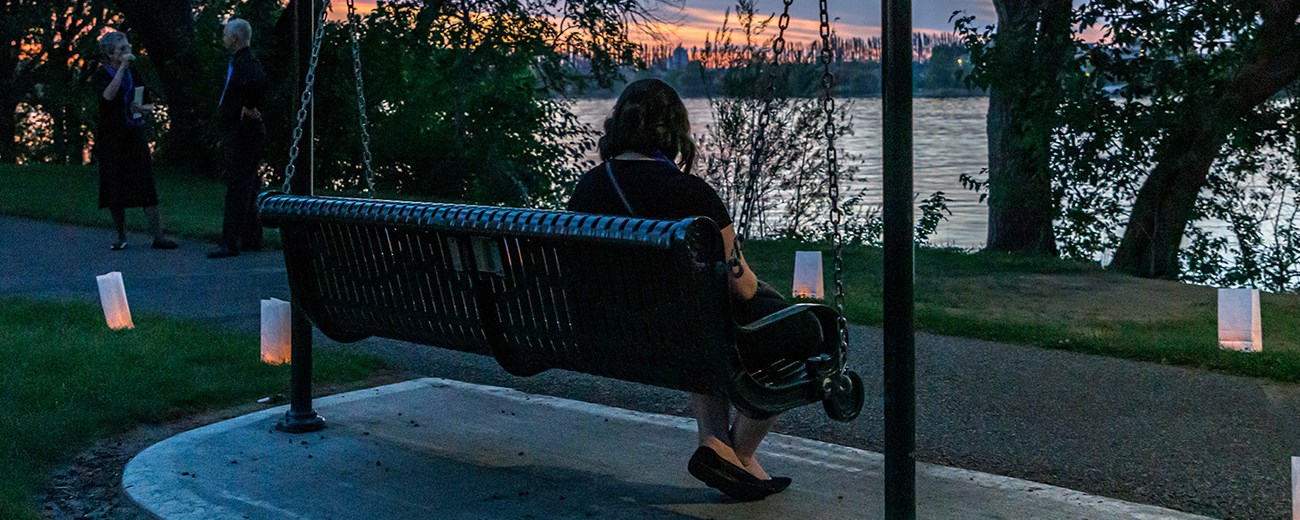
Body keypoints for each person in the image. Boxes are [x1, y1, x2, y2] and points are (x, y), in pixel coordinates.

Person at [567, 79, 822, 501]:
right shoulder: (691, 194)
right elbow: (741, 286)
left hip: (606, 334)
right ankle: (729, 450)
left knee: (702, 323)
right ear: (676, 133)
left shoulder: (588, 189)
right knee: (805, 331)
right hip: (681, 335)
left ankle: (729, 455)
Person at [92, 31, 178, 251]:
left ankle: (158, 235)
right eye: (122, 49)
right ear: (111, 53)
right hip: (112, 137)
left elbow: (149, 103)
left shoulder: (135, 73)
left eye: (127, 47)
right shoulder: (102, 75)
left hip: (134, 134)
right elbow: (108, 97)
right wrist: (121, 69)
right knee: (115, 184)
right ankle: (121, 236)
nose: (127, 52)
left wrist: (142, 109)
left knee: (146, 182)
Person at [209, 18, 268, 259]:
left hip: (242, 133)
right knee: (249, 184)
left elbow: (259, 82)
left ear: (235, 38)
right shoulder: (240, 62)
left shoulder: (247, 62)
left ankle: (230, 241)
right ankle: (252, 237)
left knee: (238, 185)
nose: (224, 38)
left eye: (226, 34)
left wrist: (249, 106)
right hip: (241, 131)